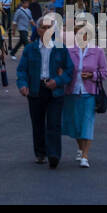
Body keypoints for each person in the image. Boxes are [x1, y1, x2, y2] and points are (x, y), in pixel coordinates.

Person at [18, 15, 73, 167]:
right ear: (38, 29)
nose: (46, 30)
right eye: (43, 27)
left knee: (54, 123)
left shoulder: (60, 48)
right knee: (38, 123)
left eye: (49, 27)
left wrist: (58, 81)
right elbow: (22, 70)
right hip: (36, 88)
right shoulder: (30, 49)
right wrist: (22, 85)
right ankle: (40, 152)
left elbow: (69, 70)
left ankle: (54, 154)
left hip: (54, 88)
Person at [64, 19, 107, 167]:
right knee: (76, 124)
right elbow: (65, 69)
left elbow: (105, 72)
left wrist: (92, 75)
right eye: (77, 33)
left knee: (87, 123)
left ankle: (85, 155)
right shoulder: (69, 50)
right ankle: (80, 147)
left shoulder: (97, 51)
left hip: (90, 92)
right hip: (72, 91)